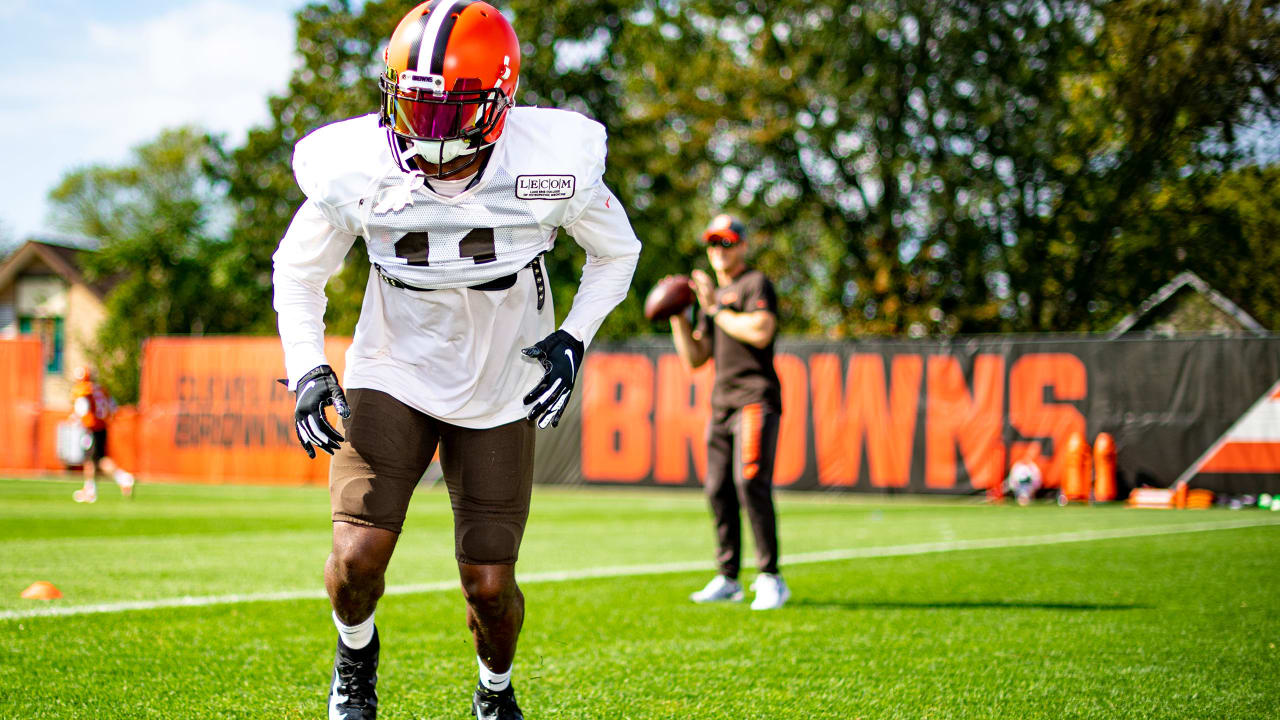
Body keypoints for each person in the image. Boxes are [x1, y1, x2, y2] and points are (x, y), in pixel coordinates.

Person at [271, 2, 640, 718]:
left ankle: (494, 690)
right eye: (416, 107)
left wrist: (574, 335)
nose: (430, 133)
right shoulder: (356, 165)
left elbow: (616, 250)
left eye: (452, 112)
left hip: (502, 383)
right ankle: (354, 661)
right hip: (393, 367)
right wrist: (309, 364)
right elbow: (298, 269)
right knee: (354, 559)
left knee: (491, 587)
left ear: (503, 100)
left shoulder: (548, 163)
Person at [667, 214, 789, 611]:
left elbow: (760, 331)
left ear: (742, 246)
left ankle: (771, 577)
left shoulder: (754, 284)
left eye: (727, 241)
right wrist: (677, 316)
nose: (719, 249)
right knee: (717, 488)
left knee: (749, 482)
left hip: (756, 398)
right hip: (722, 404)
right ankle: (729, 577)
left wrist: (715, 307)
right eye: (713, 242)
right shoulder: (712, 302)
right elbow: (696, 359)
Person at [70, 366, 134, 503]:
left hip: (91, 428)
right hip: (102, 426)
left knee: (94, 461)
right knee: (95, 460)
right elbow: (113, 407)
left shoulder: (84, 391)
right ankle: (91, 489)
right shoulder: (101, 390)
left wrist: (76, 420)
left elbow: (82, 410)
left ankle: (121, 479)